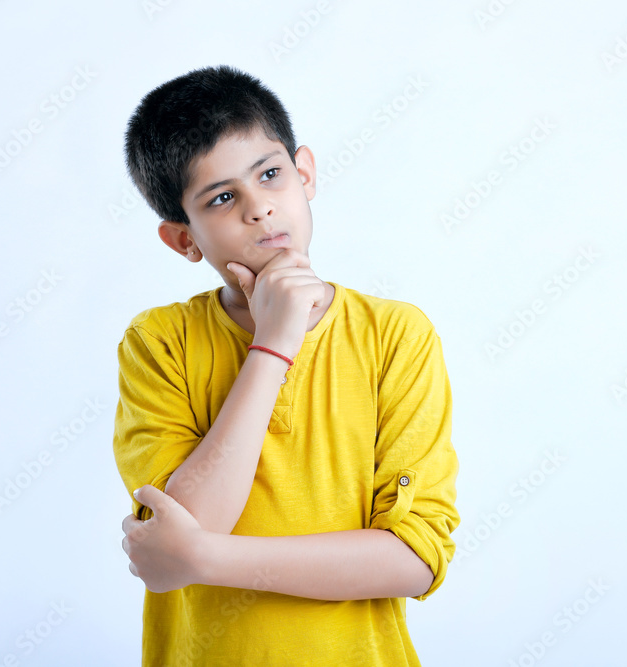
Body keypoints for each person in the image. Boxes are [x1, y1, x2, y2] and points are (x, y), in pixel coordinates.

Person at [113, 64, 459, 666]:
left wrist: (204, 559)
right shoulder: (159, 342)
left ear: (304, 174)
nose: (260, 210)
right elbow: (189, 521)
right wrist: (272, 345)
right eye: (222, 198)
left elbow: (414, 559)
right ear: (183, 239)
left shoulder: (395, 335)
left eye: (270, 176)